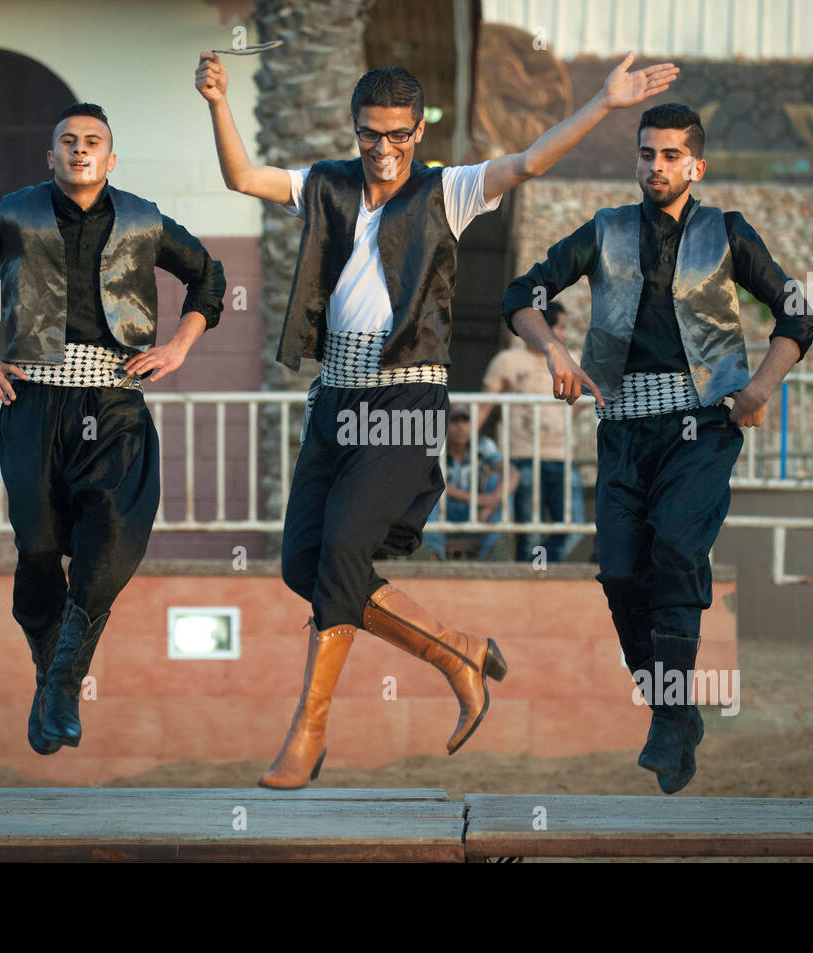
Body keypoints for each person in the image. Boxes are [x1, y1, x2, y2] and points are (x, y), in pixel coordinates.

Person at [196, 48, 679, 788]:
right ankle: (457, 652)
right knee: (303, 563)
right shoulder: (324, 184)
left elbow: (529, 162)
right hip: (334, 399)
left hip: (405, 399)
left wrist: (605, 104)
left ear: (419, 131)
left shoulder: (446, 190)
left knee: (341, 552)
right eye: (370, 134)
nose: (383, 148)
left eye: (398, 134)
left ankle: (308, 731)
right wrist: (218, 102)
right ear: (354, 128)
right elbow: (240, 176)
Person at [502, 103, 813, 794]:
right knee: (620, 575)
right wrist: (553, 349)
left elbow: (798, 314)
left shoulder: (727, 231)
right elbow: (521, 294)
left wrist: (760, 388)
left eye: (671, 155)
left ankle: (671, 722)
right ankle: (673, 710)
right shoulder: (605, 229)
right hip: (622, 430)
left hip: (702, 427)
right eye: (647, 153)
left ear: (696, 165)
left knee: (675, 550)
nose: (657, 165)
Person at [0, 103, 225, 754]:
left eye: (92, 141)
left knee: (111, 534)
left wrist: (179, 346)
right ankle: (50, 672)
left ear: (110, 159)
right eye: (68, 140)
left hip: (114, 401)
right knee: (37, 545)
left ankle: (63, 682)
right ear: (51, 155)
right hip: (32, 399)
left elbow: (208, 278)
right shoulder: (14, 212)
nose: (80, 149)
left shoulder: (144, 219)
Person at [478, 300, 586, 562]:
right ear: (543, 328)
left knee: (574, 527)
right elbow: (483, 406)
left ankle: (543, 571)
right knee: (530, 533)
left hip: (561, 456)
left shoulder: (572, 361)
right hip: (523, 458)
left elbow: (581, 401)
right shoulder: (508, 361)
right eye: (560, 327)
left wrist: (560, 421)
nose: (564, 334)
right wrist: (462, 443)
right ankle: (530, 578)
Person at [424, 405, 519, 561]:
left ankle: (493, 554)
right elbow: (428, 480)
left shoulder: (482, 444)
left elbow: (513, 473)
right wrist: (479, 499)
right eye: (454, 421)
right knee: (428, 492)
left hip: (478, 515)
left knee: (499, 482)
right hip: (444, 515)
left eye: (465, 421)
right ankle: (432, 555)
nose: (461, 427)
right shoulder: (434, 445)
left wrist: (491, 502)